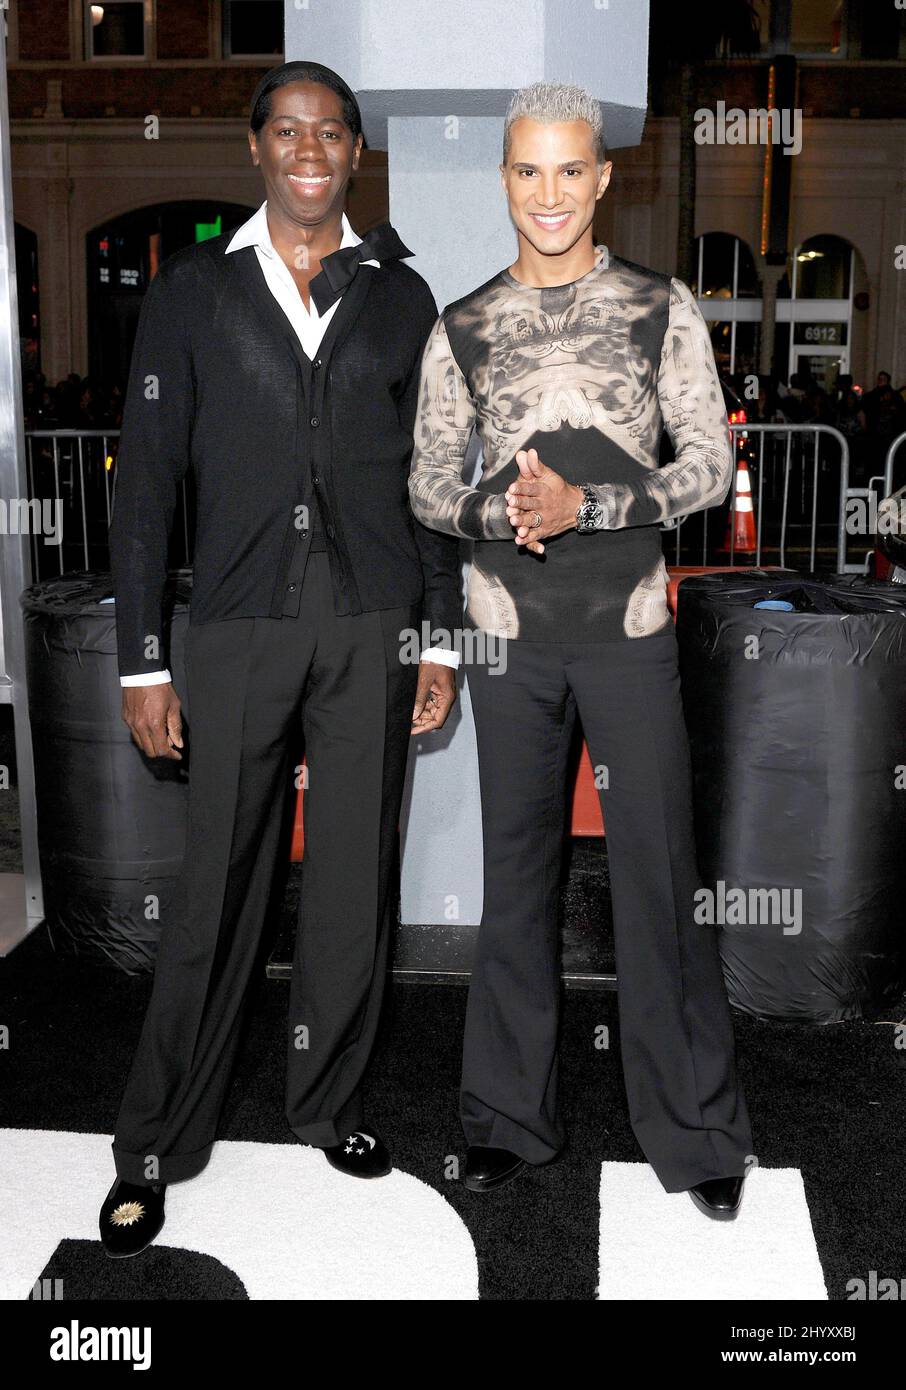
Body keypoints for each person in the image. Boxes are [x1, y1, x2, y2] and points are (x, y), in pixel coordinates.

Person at [100, 60, 461, 1257]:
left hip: (372, 622)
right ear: (257, 148)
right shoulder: (195, 292)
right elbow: (147, 485)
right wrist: (143, 661)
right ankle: (157, 1138)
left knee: (355, 879)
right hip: (242, 625)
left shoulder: (401, 297)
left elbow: (434, 485)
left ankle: (329, 1100)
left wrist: (441, 634)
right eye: (289, 129)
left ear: (357, 154)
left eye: (334, 132)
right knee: (218, 889)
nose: (311, 148)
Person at [409, 81, 754, 1219]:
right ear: (502, 177)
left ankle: (696, 1129)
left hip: (629, 632)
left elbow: (708, 466)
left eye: (569, 170)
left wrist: (589, 508)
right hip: (509, 639)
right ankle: (506, 1116)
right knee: (518, 881)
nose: (547, 193)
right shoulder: (459, 324)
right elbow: (424, 485)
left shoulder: (663, 307)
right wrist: (505, 515)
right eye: (526, 171)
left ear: (603, 177)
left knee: (658, 877)